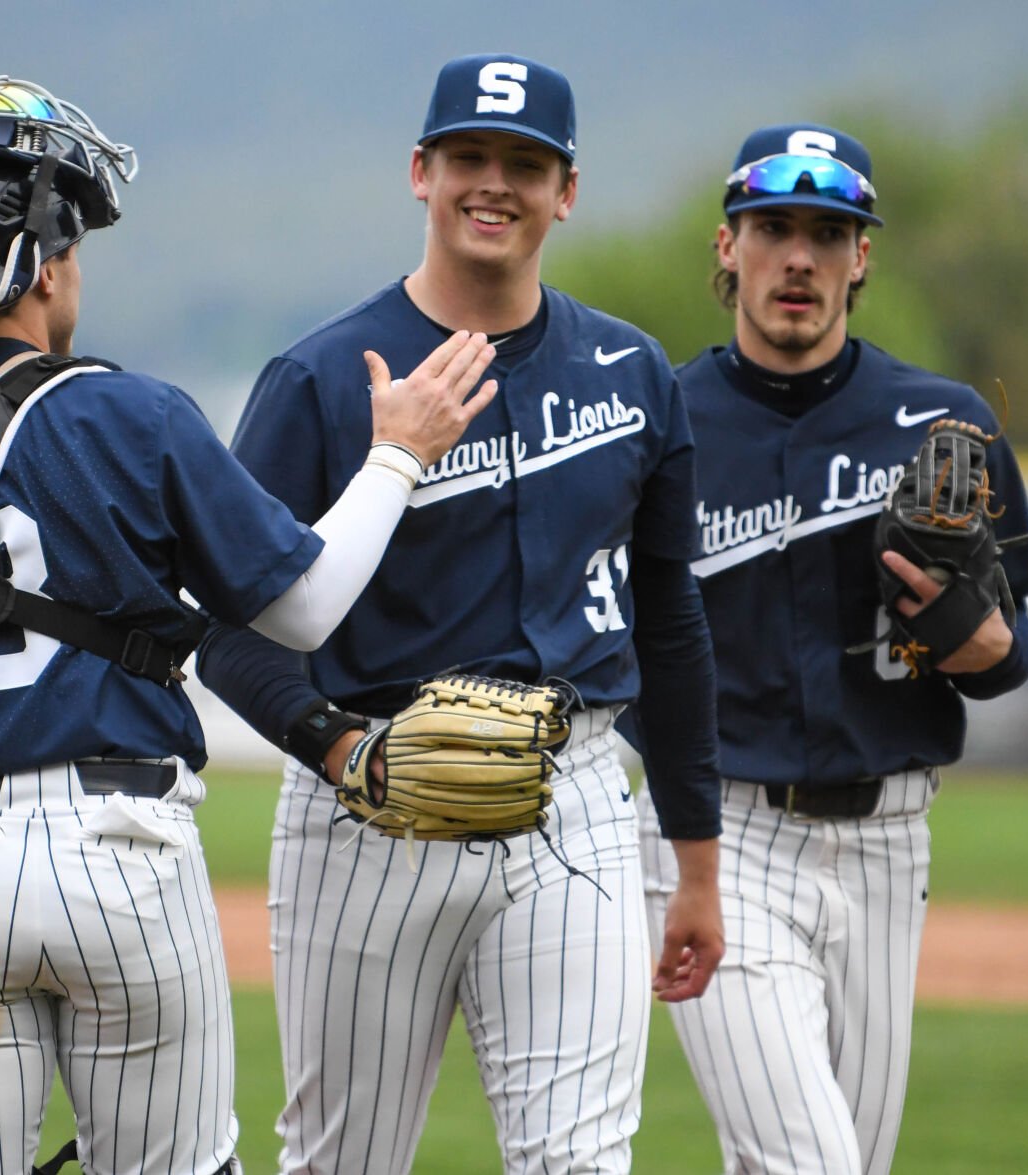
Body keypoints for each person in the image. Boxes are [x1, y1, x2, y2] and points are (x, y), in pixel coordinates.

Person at [0, 75, 501, 1175]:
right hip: (126, 858)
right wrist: (397, 455)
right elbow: (304, 607)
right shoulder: (136, 416)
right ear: (44, 263)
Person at [195, 54, 725, 1174]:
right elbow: (227, 631)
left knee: (581, 1159)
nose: (494, 183)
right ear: (419, 173)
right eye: (467, 156)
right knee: (342, 1158)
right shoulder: (321, 376)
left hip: (574, 799)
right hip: (367, 804)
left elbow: (670, 622)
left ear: (564, 191)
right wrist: (337, 746)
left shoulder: (630, 370)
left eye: (523, 164)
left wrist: (695, 859)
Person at [632, 123, 1028, 1175]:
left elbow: (1010, 650)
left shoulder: (942, 421)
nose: (798, 257)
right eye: (771, 227)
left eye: (826, 233)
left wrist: (990, 647)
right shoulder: (661, 422)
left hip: (888, 844)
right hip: (717, 835)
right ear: (727, 244)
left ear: (859, 256)